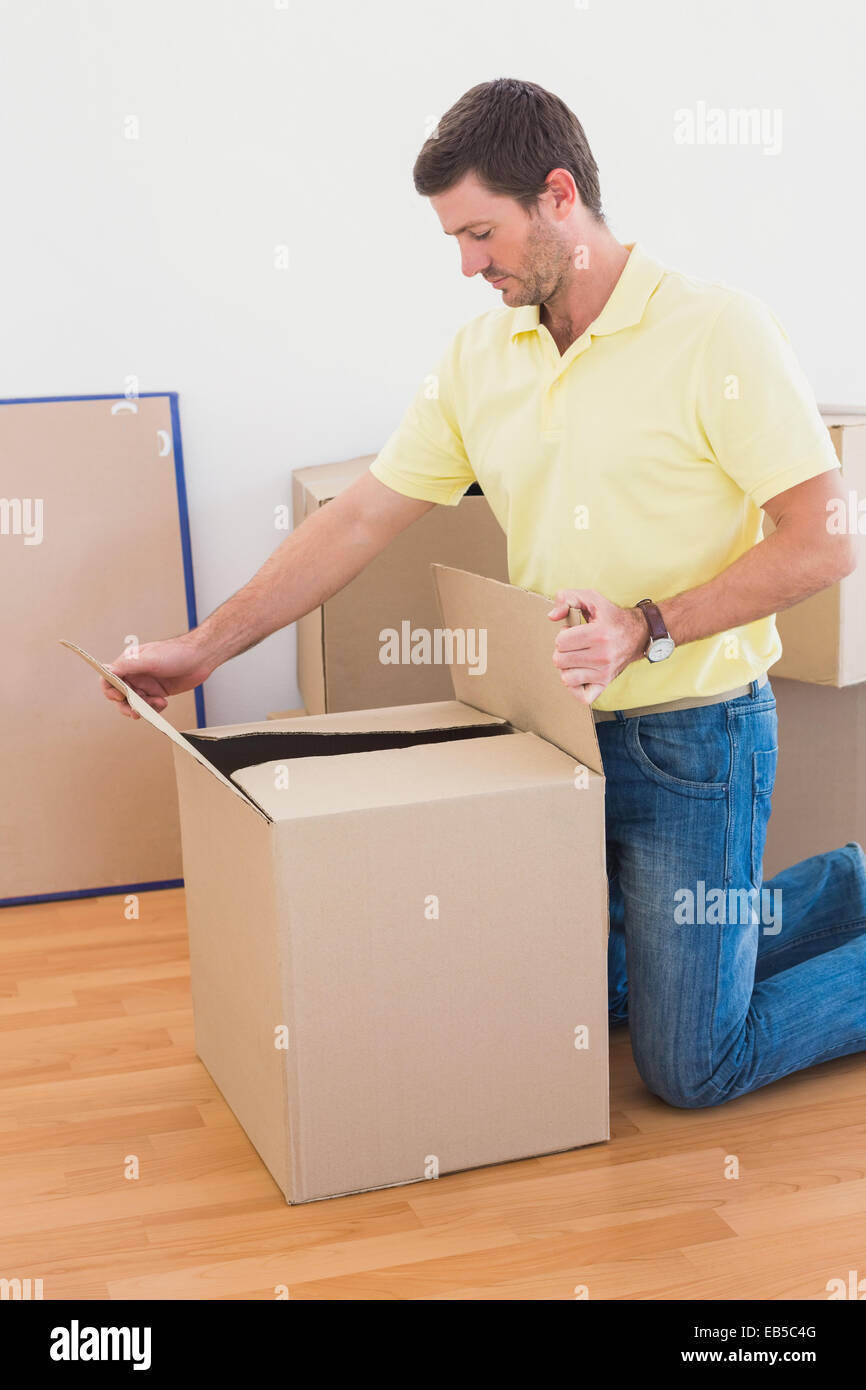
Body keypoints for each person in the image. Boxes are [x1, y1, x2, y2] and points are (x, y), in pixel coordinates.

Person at [101, 77, 866, 1108]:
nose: (466, 265)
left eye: (479, 233)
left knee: (690, 1067)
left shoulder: (715, 333)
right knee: (588, 991)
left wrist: (647, 625)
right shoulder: (479, 356)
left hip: (697, 738)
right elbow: (358, 517)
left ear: (557, 196)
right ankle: (844, 889)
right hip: (554, 731)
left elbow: (825, 540)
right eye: (454, 241)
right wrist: (202, 649)